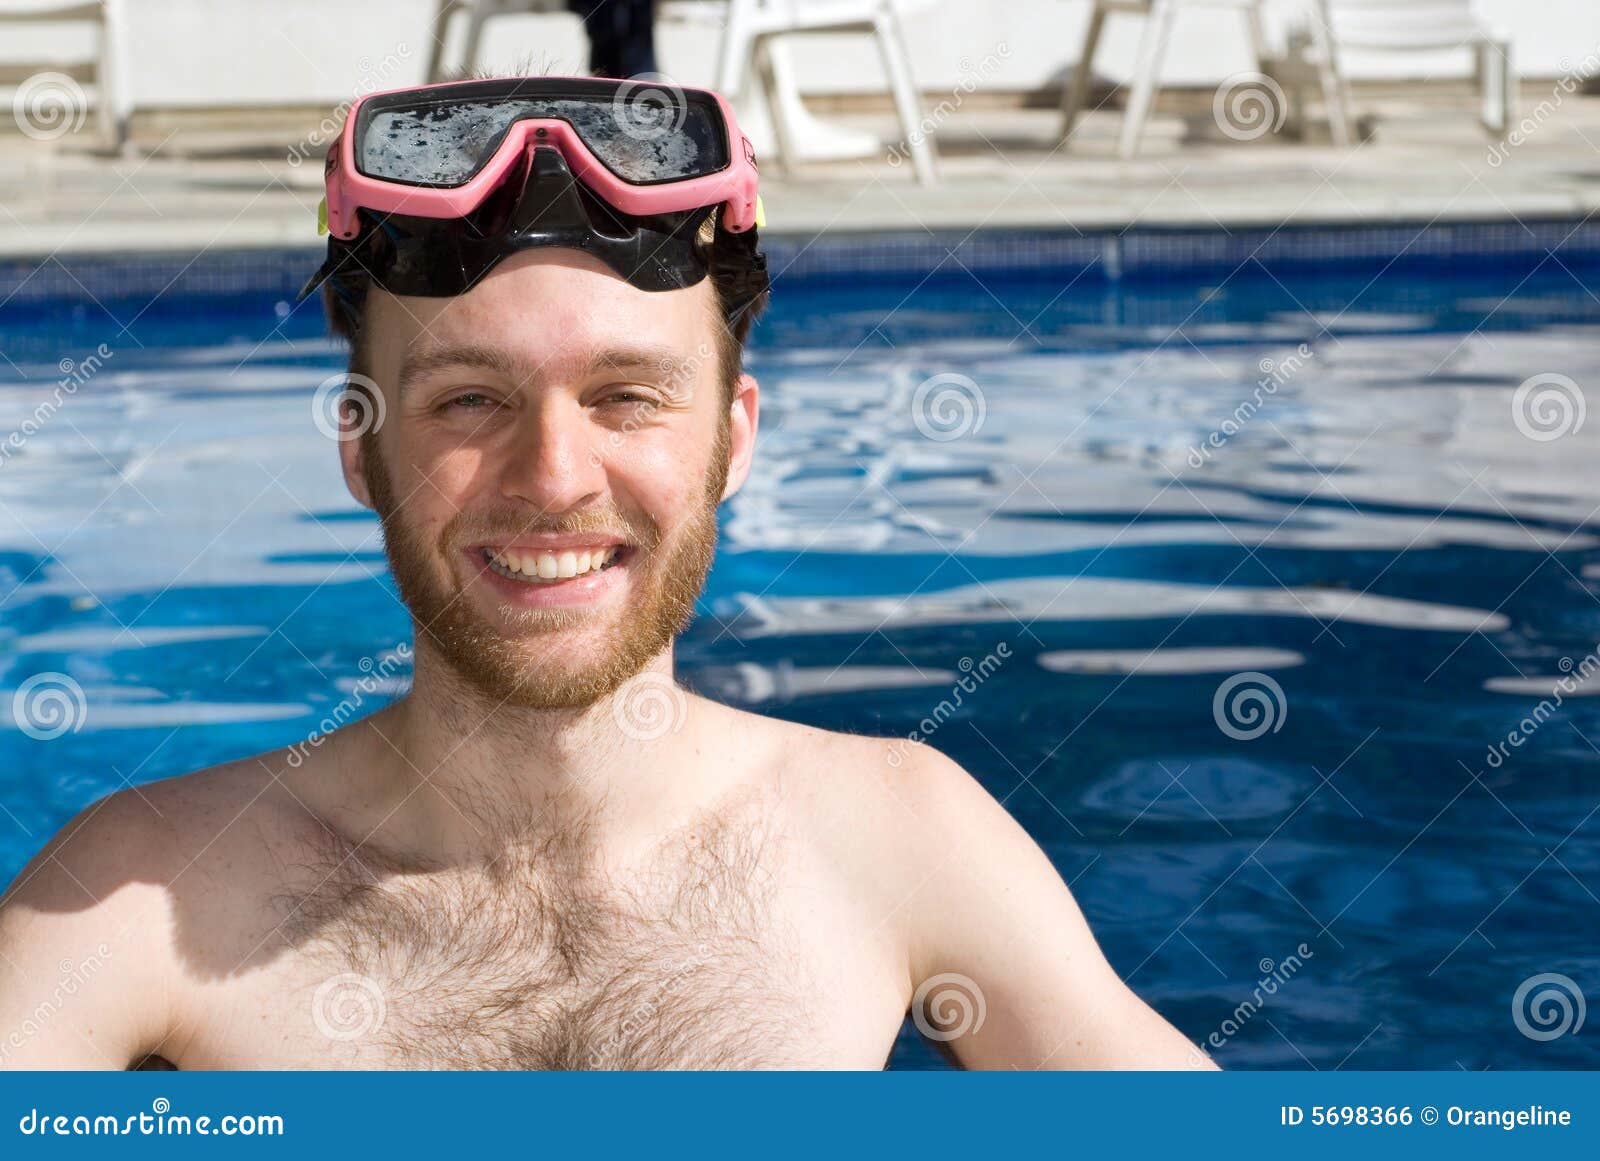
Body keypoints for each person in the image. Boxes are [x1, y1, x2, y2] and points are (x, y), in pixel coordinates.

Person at [0, 76, 1211, 1071]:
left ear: (733, 440)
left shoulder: (899, 838)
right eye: (469, 400)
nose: (554, 476)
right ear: (362, 448)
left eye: (626, 397)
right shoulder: (142, 896)